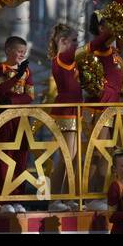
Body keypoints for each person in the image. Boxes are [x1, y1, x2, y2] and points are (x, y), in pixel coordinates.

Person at [0, 35, 34, 209]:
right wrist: (17, 77)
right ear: (8, 50)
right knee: (5, 156)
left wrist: (13, 101)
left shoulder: (28, 71)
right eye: (19, 51)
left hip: (22, 118)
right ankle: (4, 199)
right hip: (5, 118)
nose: (22, 55)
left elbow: (30, 96)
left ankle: (18, 198)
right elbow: (1, 91)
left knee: (21, 157)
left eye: (24, 52)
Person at [47, 23, 82, 210]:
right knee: (66, 157)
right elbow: (84, 52)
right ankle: (54, 200)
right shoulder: (62, 57)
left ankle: (68, 198)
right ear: (63, 41)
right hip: (65, 111)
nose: (78, 44)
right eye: (75, 40)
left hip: (75, 110)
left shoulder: (71, 60)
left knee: (74, 157)